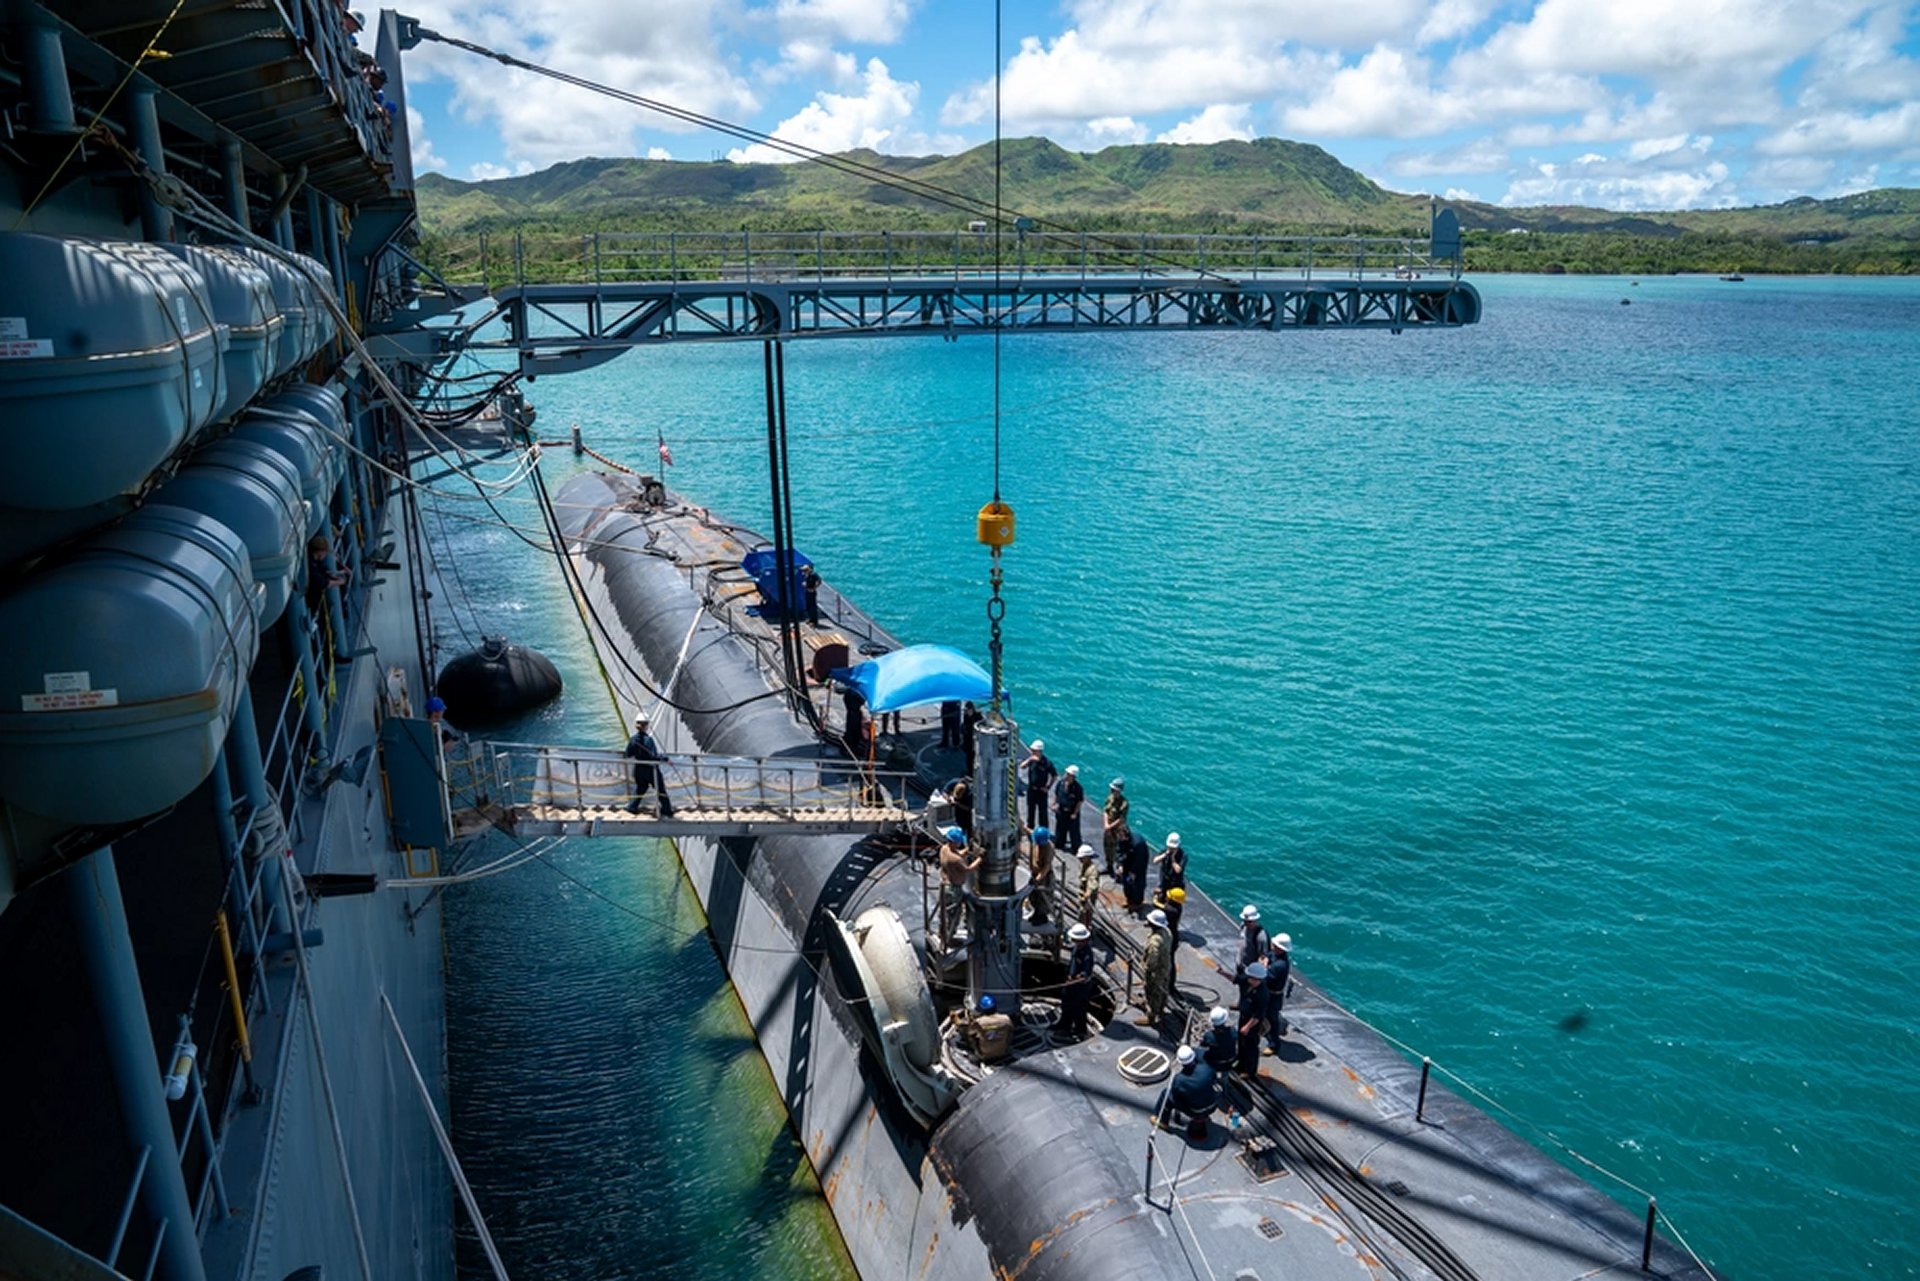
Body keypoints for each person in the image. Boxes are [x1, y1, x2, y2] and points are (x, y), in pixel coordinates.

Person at [1164, 1044, 1219, 1140]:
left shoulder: (1179, 1079)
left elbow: (1175, 1096)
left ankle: (1163, 1121)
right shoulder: (1206, 1069)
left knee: (1166, 1095)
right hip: (1213, 1105)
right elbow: (1214, 1079)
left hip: (1195, 1111)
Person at [938, 826, 981, 946]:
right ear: (954, 842)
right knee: (954, 915)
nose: (959, 844)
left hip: (944, 886)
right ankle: (949, 939)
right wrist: (980, 859)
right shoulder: (955, 859)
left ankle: (942, 933)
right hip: (953, 889)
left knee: (944, 913)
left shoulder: (944, 849)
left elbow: (958, 854)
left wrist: (967, 850)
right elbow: (968, 869)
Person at [623, 715, 673, 816]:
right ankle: (667, 810)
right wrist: (665, 759)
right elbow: (653, 756)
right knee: (660, 789)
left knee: (641, 788)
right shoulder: (648, 740)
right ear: (647, 725)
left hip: (639, 769)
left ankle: (632, 807)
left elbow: (628, 754)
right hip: (651, 769)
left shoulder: (633, 740)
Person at [1139, 908, 1173, 1030]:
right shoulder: (1167, 932)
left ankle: (1151, 1016)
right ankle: (1161, 1009)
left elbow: (1152, 960)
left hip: (1156, 971)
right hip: (1166, 967)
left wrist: (1146, 969)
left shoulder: (1154, 941)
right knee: (1163, 989)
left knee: (1152, 991)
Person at [1059, 922, 1094, 1039]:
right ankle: (1064, 1025)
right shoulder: (1077, 948)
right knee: (1066, 1004)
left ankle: (1080, 1031)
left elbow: (1085, 974)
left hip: (1080, 988)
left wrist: (1073, 980)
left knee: (1079, 1009)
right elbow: (1072, 952)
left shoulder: (1087, 954)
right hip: (1071, 984)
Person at [1236, 961, 1268, 1075]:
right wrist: (1222, 972)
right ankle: (1240, 1062)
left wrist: (1247, 1027)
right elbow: (1236, 979)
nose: (1247, 979)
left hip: (1252, 1024)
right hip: (1243, 1017)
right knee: (1241, 1042)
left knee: (1250, 1047)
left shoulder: (1262, 994)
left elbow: (1258, 1015)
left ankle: (1249, 1071)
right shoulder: (1248, 981)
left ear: (1257, 979)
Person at [1264, 932, 1293, 1052]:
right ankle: (1266, 1030)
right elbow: (1268, 955)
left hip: (1273, 995)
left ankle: (1274, 1044)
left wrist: (1264, 965)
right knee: (1265, 1014)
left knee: (1272, 1018)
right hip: (1269, 992)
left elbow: (1266, 976)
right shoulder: (1276, 956)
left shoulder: (1280, 965)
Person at [1021, 739, 1057, 831]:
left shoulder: (1047, 763)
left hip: (1041, 791)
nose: (1032, 752)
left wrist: (1048, 787)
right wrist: (1029, 759)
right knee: (1031, 809)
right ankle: (1030, 827)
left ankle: (1044, 830)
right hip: (1032, 789)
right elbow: (1022, 766)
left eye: (1034, 750)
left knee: (1042, 812)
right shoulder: (1031, 760)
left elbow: (1054, 775)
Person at [1234, 905, 1270, 990]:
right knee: (1241, 986)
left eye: (1249, 921)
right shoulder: (1243, 926)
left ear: (1255, 920)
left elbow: (1263, 958)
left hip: (1249, 971)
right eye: (1245, 921)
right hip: (1240, 965)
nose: (1246, 923)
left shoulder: (1261, 936)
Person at [1101, 778, 1130, 876]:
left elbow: (1121, 819)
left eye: (1114, 790)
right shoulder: (1110, 798)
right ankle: (1109, 866)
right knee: (1107, 847)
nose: (1111, 791)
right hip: (1108, 827)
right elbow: (1105, 811)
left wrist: (1110, 827)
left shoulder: (1124, 803)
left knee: (1118, 849)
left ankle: (1119, 870)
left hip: (1117, 830)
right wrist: (1106, 825)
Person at [1028, 827, 1056, 928]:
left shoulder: (1049, 848)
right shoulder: (1036, 840)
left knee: (1043, 897)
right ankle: (1036, 912)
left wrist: (1038, 879)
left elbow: (1046, 867)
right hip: (1034, 874)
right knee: (1034, 896)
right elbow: (1029, 830)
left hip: (1044, 876)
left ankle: (1042, 916)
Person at [1053, 764, 1085, 852]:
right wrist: (1054, 804)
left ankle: (1076, 848)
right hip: (1061, 811)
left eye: (1068, 774)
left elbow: (1079, 801)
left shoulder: (1078, 788)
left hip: (1071, 813)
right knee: (1060, 829)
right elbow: (1057, 794)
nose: (1066, 775)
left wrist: (1075, 813)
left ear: (1073, 777)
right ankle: (1059, 844)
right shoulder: (1061, 783)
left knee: (1074, 832)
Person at [1122, 831, 1151, 914]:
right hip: (1128, 861)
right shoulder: (1121, 839)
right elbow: (1119, 851)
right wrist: (1120, 864)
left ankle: (1137, 903)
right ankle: (1129, 899)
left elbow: (1139, 861)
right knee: (1126, 881)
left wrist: (1134, 872)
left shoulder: (1138, 844)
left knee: (1138, 883)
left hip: (1139, 864)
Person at [1202, 1006, 1237, 1070]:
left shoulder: (1209, 1035)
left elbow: (1203, 1044)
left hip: (1215, 1063)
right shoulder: (1233, 1030)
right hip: (1231, 1061)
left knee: (1199, 1052)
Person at [1152, 832, 1187, 897]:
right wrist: (1165, 854)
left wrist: (1173, 859)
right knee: (1160, 898)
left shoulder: (1183, 855)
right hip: (1165, 880)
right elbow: (1155, 861)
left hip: (1176, 883)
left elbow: (1178, 870)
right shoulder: (1165, 851)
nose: (1171, 849)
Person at [1075, 843, 1100, 925]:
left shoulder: (1093, 870)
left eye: (1082, 858)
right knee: (1081, 912)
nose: (1080, 860)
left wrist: (1087, 895)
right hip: (1082, 893)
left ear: (1088, 857)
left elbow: (1092, 884)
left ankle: (1086, 927)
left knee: (1086, 912)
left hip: (1088, 897)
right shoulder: (1084, 865)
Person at [960, 702, 982, 774]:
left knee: (975, 758)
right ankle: (969, 772)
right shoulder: (966, 716)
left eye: (968, 710)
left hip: (975, 741)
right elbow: (964, 725)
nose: (967, 712)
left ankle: (974, 773)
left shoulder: (978, 717)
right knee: (969, 758)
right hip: (968, 740)